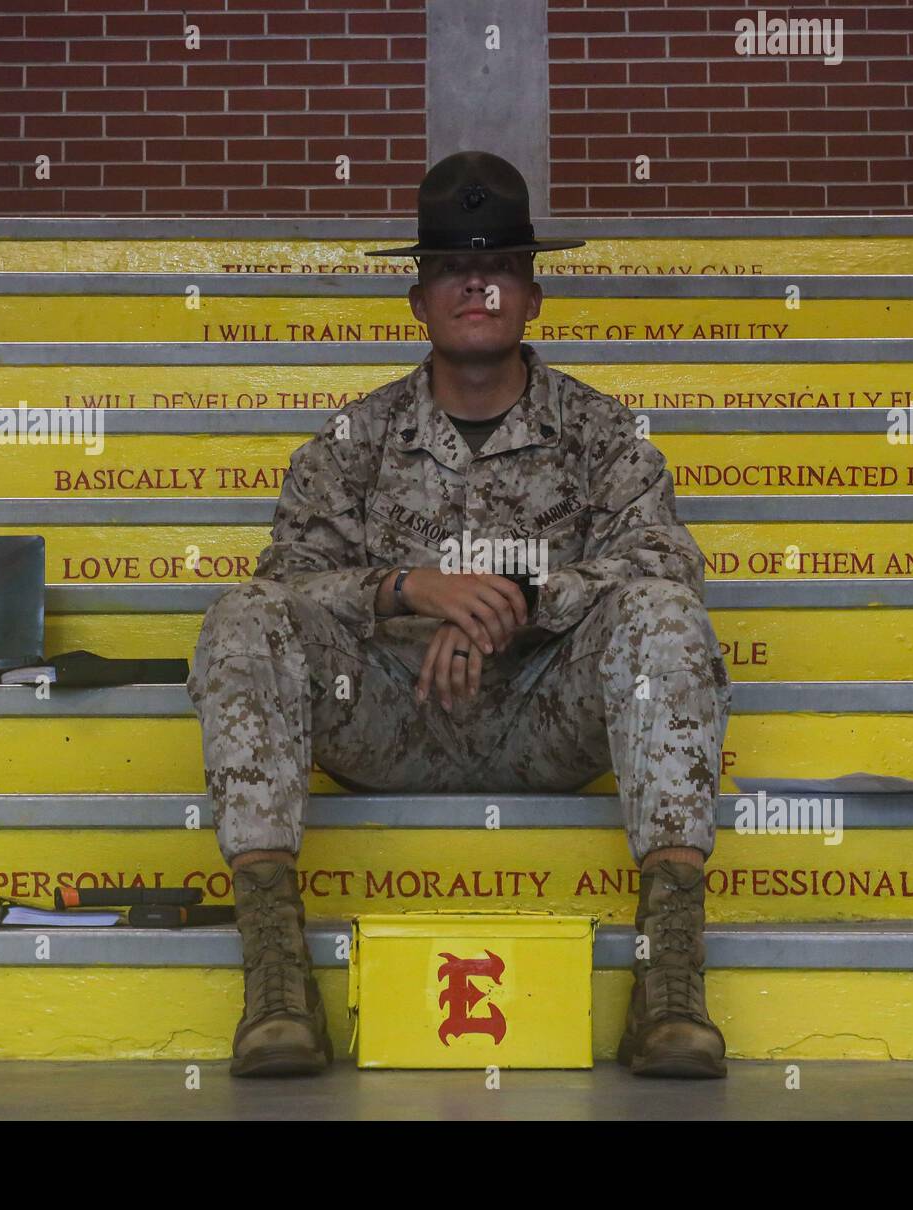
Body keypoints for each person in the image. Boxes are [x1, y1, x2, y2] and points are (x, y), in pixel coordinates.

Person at [186, 150, 733, 1080]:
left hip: (544, 716)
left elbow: (667, 559)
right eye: (450, 267)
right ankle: (277, 984)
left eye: (500, 267)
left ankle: (669, 980)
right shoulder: (354, 441)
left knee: (664, 618)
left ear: (533, 295)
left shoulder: (604, 433)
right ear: (417, 299)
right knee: (241, 618)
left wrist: (519, 604)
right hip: (388, 712)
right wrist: (409, 588)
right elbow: (288, 578)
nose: (476, 284)